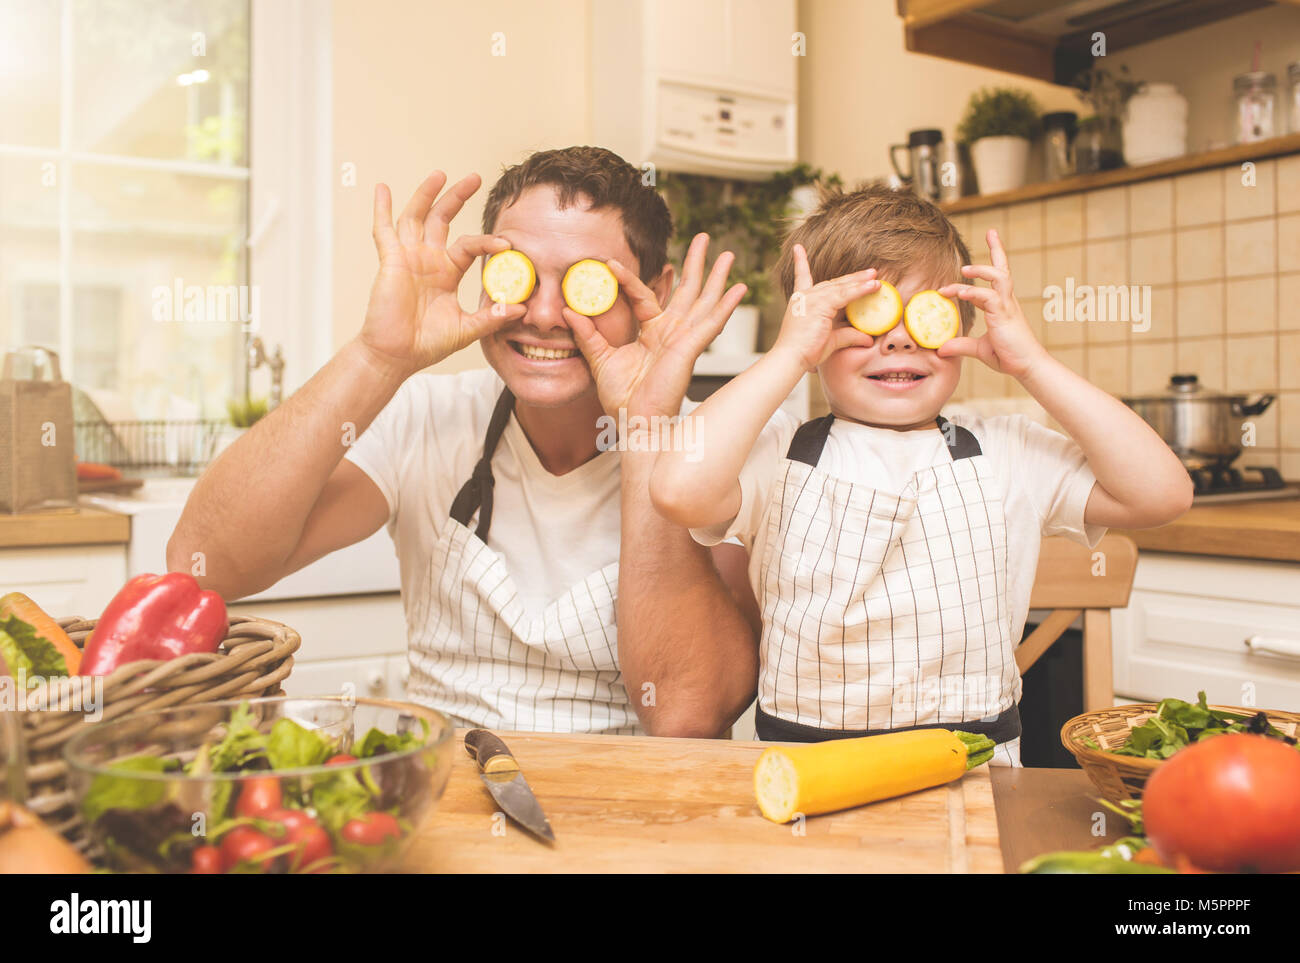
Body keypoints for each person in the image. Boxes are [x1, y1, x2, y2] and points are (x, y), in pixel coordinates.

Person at [168, 146, 760, 736]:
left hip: (623, 806)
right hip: (438, 786)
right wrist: (377, 358)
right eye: (520, 275)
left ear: (654, 291)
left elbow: (689, 716)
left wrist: (644, 426)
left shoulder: (722, 450)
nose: (547, 314)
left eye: (589, 284)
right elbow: (205, 566)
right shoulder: (425, 419)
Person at [649, 185, 1193, 764]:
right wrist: (787, 356)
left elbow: (1162, 495)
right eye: (864, 315)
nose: (901, 336)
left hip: (974, 778)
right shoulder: (779, 449)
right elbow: (677, 491)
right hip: (804, 775)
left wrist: (1032, 363)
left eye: (925, 315)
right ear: (816, 331)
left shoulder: (1006, 449)